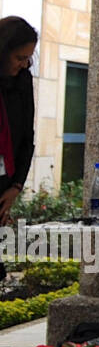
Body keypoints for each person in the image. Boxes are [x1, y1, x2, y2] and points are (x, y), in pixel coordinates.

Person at [0, 17, 37, 228]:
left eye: (28, 59)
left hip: (5, 184)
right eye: (19, 57)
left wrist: (16, 187)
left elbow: (27, 137)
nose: (24, 64)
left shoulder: (23, 80)